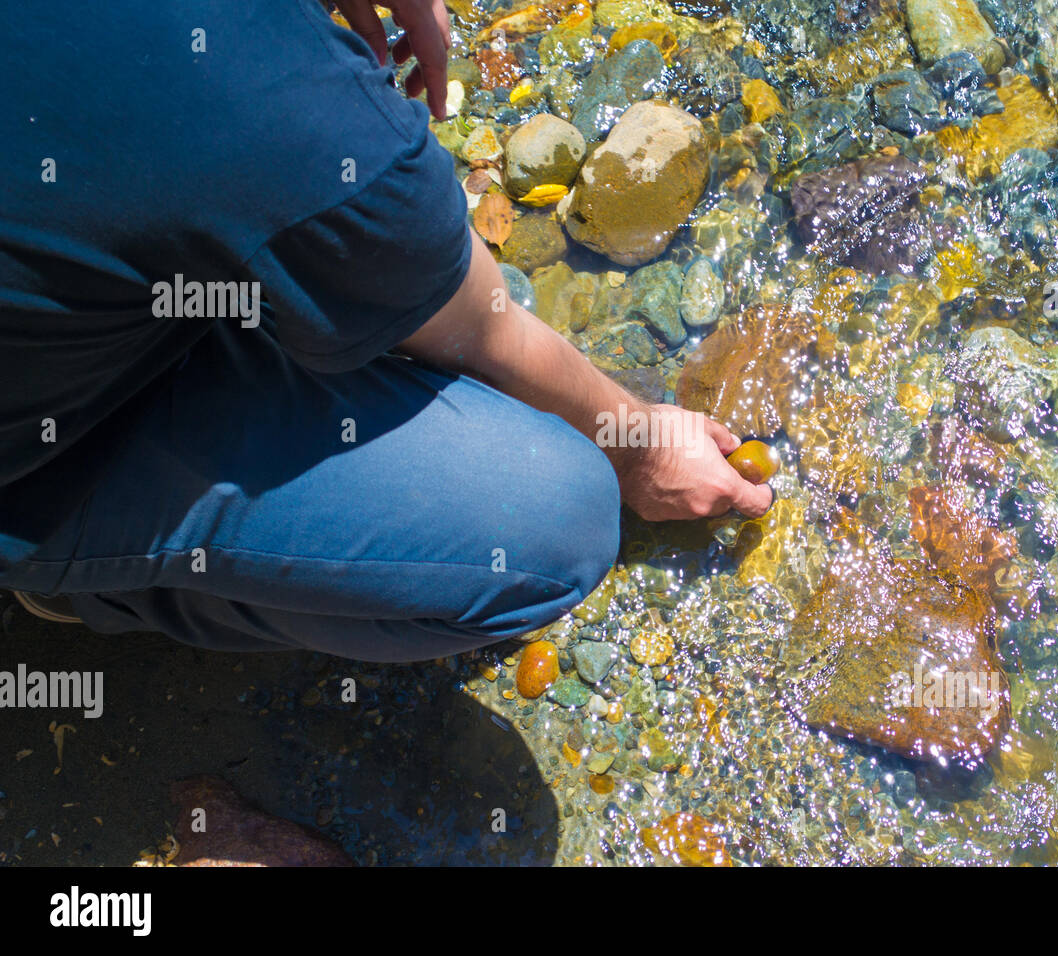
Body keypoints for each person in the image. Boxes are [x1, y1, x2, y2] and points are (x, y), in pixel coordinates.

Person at [0, 0, 772, 662]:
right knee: (555, 520)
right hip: (42, 453)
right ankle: (98, 581)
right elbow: (484, 329)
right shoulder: (275, 104)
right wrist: (638, 447)